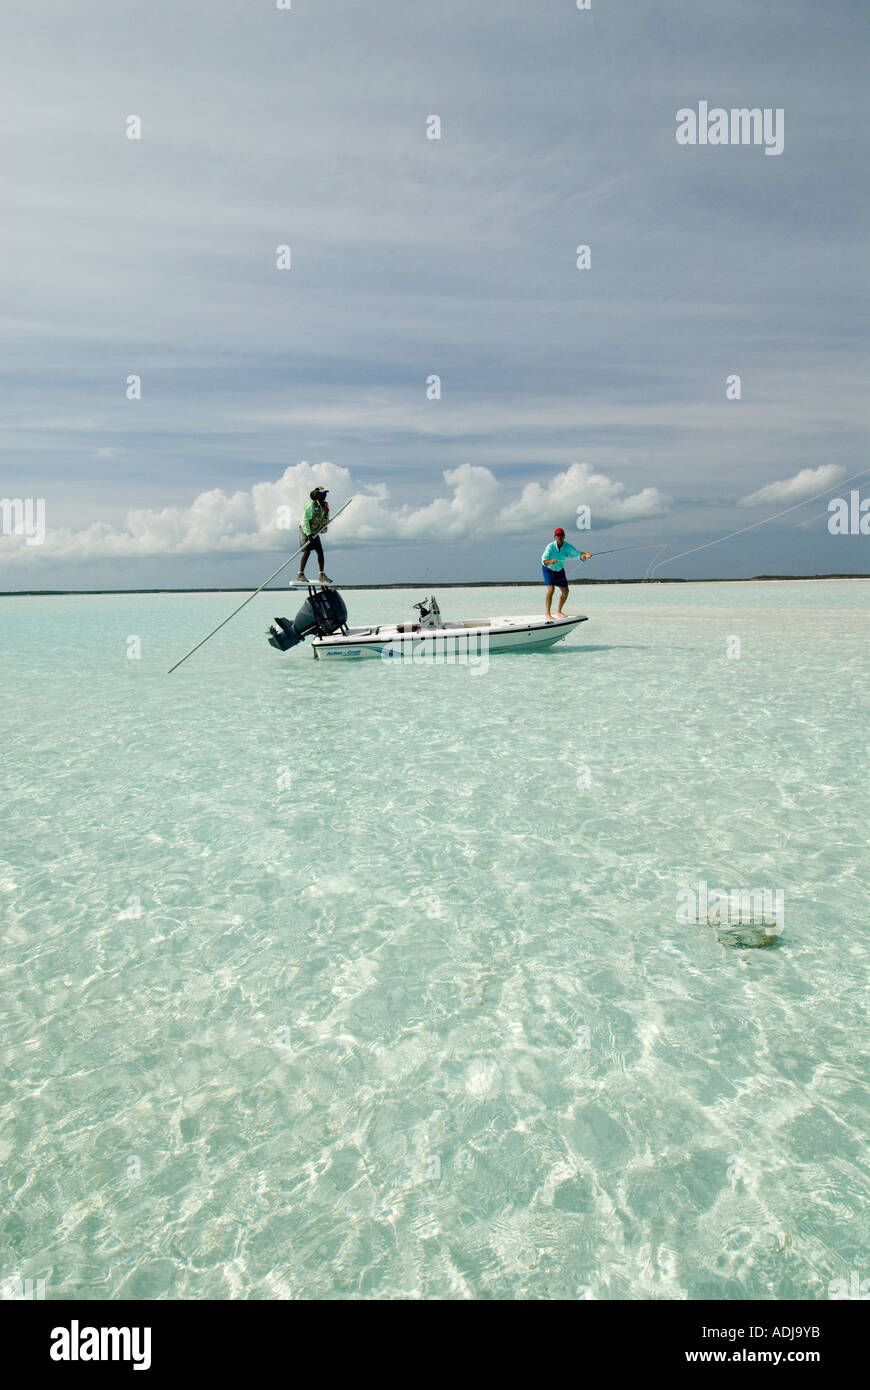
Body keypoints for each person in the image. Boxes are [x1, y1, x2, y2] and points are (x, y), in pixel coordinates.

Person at [541, 527, 590, 618]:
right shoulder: (550, 547)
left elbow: (577, 554)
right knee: (551, 590)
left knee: (566, 592)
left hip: (559, 570)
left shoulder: (567, 547)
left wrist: (585, 555)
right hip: (548, 569)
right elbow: (544, 561)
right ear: (555, 537)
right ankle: (547, 614)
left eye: (561, 535)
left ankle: (559, 611)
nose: (559, 537)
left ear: (564, 536)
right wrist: (550, 561)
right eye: (558, 535)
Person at [296, 488, 332, 583]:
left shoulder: (325, 506)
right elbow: (305, 521)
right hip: (305, 530)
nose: (325, 495)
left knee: (320, 551)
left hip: (315, 531)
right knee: (307, 551)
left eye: (325, 493)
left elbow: (326, 517)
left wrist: (323, 527)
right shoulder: (310, 506)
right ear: (317, 495)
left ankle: (322, 574)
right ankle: (300, 574)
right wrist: (308, 535)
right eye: (322, 493)